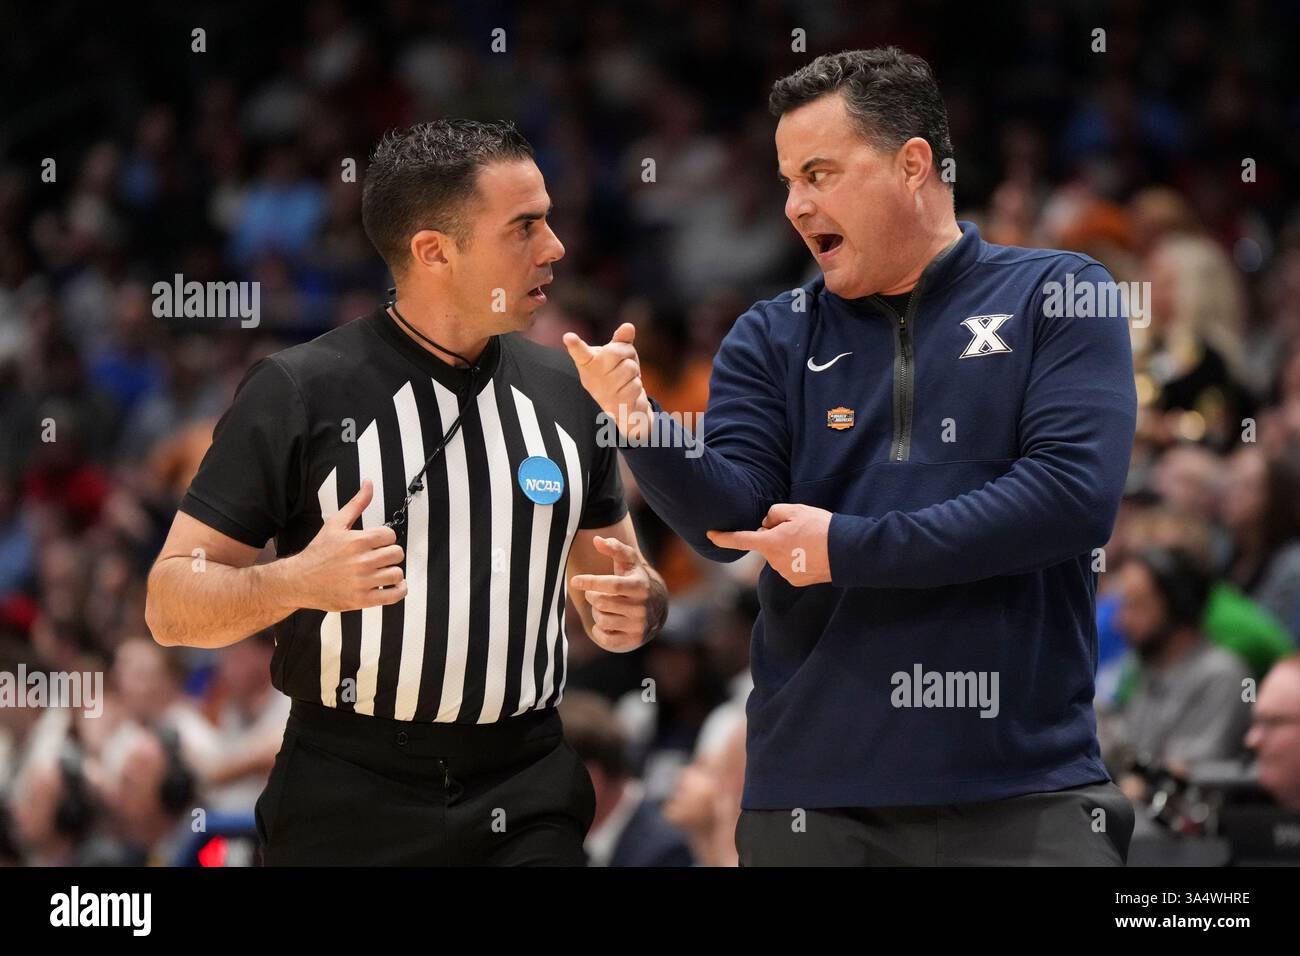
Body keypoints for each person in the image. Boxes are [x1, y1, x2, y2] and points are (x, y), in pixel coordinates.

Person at [565, 48, 1137, 864]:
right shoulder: (772, 333)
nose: (796, 206)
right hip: (814, 804)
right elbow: (730, 519)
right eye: (789, 180)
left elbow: (1069, 499)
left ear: (912, 165)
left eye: (820, 174)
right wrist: (644, 426)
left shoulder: (1057, 294)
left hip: (1025, 789)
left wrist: (846, 549)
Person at [145, 119, 667, 865]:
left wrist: (636, 606)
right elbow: (169, 604)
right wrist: (297, 580)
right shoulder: (299, 389)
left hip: (525, 785)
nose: (555, 247)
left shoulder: (566, 391)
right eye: (525, 227)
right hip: (348, 785)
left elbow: (623, 579)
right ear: (434, 251)